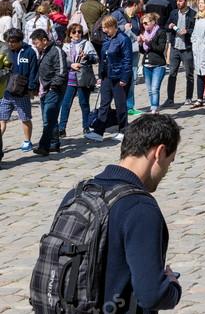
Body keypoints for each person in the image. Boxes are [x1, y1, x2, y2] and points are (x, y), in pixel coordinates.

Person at [49, 115, 183, 312]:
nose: (165, 171)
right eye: (169, 162)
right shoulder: (140, 209)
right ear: (160, 152)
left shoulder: (78, 193)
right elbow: (152, 295)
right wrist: (173, 287)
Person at [86, 16, 134, 143]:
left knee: (120, 105)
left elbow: (127, 60)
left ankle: (123, 130)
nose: (104, 30)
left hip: (119, 77)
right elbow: (103, 59)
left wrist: (125, 77)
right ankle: (98, 131)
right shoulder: (107, 40)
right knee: (104, 104)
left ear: (113, 26)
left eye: (106, 28)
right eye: (103, 28)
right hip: (107, 76)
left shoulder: (123, 39)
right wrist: (101, 76)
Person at [31, 28, 69, 156]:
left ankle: (44, 146)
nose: (35, 45)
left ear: (44, 40)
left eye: (36, 42)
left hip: (54, 90)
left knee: (48, 118)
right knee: (49, 118)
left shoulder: (56, 50)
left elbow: (62, 71)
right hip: (45, 90)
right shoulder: (43, 52)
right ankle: (54, 144)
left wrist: (53, 86)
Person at [0, 29, 37, 160]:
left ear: (20, 41)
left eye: (13, 42)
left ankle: (27, 141)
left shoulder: (29, 52)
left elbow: (33, 71)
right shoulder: (5, 51)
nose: (11, 44)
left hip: (22, 92)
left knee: (25, 117)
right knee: (2, 118)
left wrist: (32, 88)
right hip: (6, 92)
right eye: (8, 41)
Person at [58, 23, 97, 137]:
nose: (77, 34)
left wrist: (87, 57)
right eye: (74, 32)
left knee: (84, 103)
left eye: (79, 32)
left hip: (83, 77)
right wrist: (71, 65)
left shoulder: (87, 44)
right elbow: (62, 61)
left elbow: (95, 59)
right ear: (69, 34)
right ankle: (62, 128)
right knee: (65, 104)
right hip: (69, 78)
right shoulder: (65, 46)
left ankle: (86, 127)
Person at [164, 0, 195, 107]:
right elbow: (166, 25)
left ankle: (189, 97)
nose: (178, 3)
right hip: (175, 47)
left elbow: (195, 30)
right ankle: (170, 98)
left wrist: (188, 31)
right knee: (172, 73)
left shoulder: (192, 14)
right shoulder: (173, 13)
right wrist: (170, 26)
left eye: (180, 1)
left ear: (186, 1)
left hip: (187, 48)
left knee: (189, 74)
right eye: (177, 1)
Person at [139, 12, 169, 115]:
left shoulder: (160, 32)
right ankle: (153, 107)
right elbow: (143, 51)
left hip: (158, 64)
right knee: (149, 89)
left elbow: (160, 49)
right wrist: (140, 44)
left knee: (155, 88)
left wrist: (148, 42)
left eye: (146, 23)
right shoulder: (145, 33)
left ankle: (154, 109)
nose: (144, 25)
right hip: (147, 64)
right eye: (143, 23)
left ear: (153, 22)